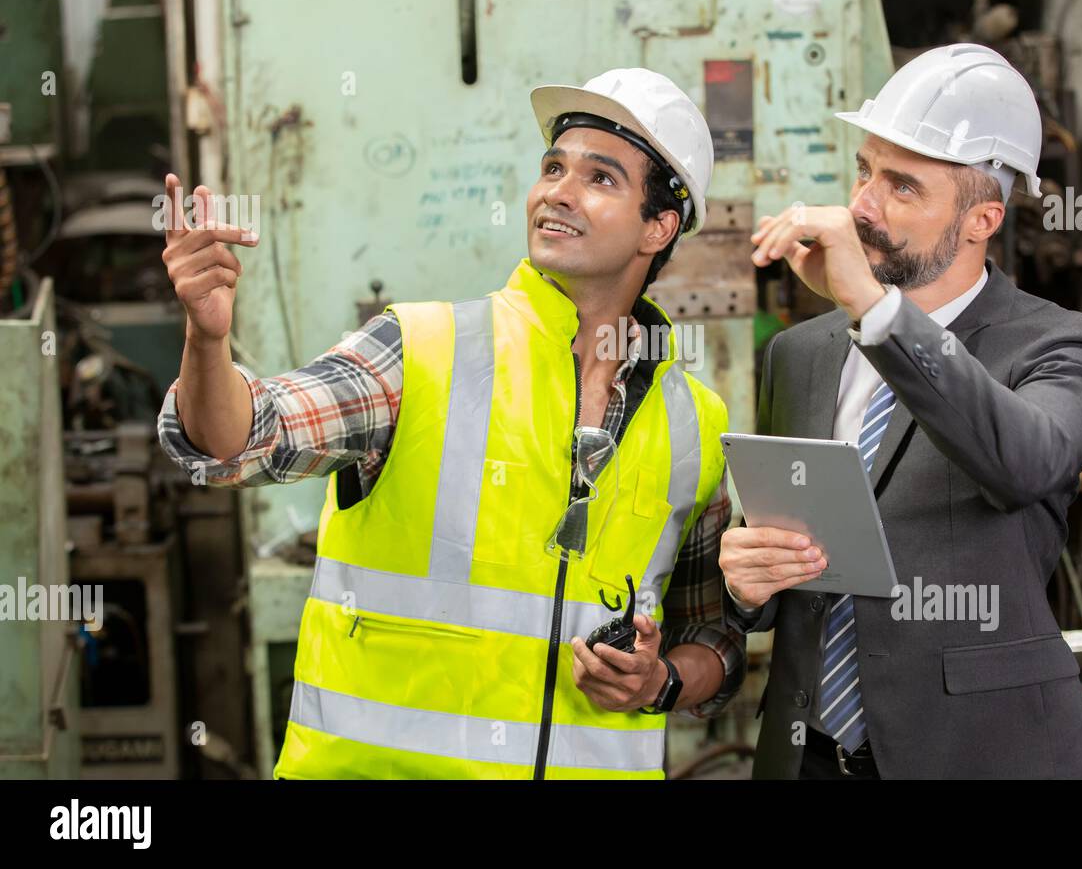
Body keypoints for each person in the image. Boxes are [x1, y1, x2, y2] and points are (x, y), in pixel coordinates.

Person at [156, 68, 743, 779]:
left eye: (600, 178)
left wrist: (660, 681)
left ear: (660, 225)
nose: (557, 191)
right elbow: (240, 443)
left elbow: (714, 635)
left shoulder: (695, 424)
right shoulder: (422, 351)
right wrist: (207, 341)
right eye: (552, 168)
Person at [719, 44, 1082, 779]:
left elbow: (1023, 463)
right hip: (809, 756)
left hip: (978, 756)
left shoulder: (1062, 344)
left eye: (903, 187)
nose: (863, 206)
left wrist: (875, 311)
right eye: (865, 171)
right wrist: (748, 585)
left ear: (981, 220)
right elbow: (797, 562)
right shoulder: (800, 354)